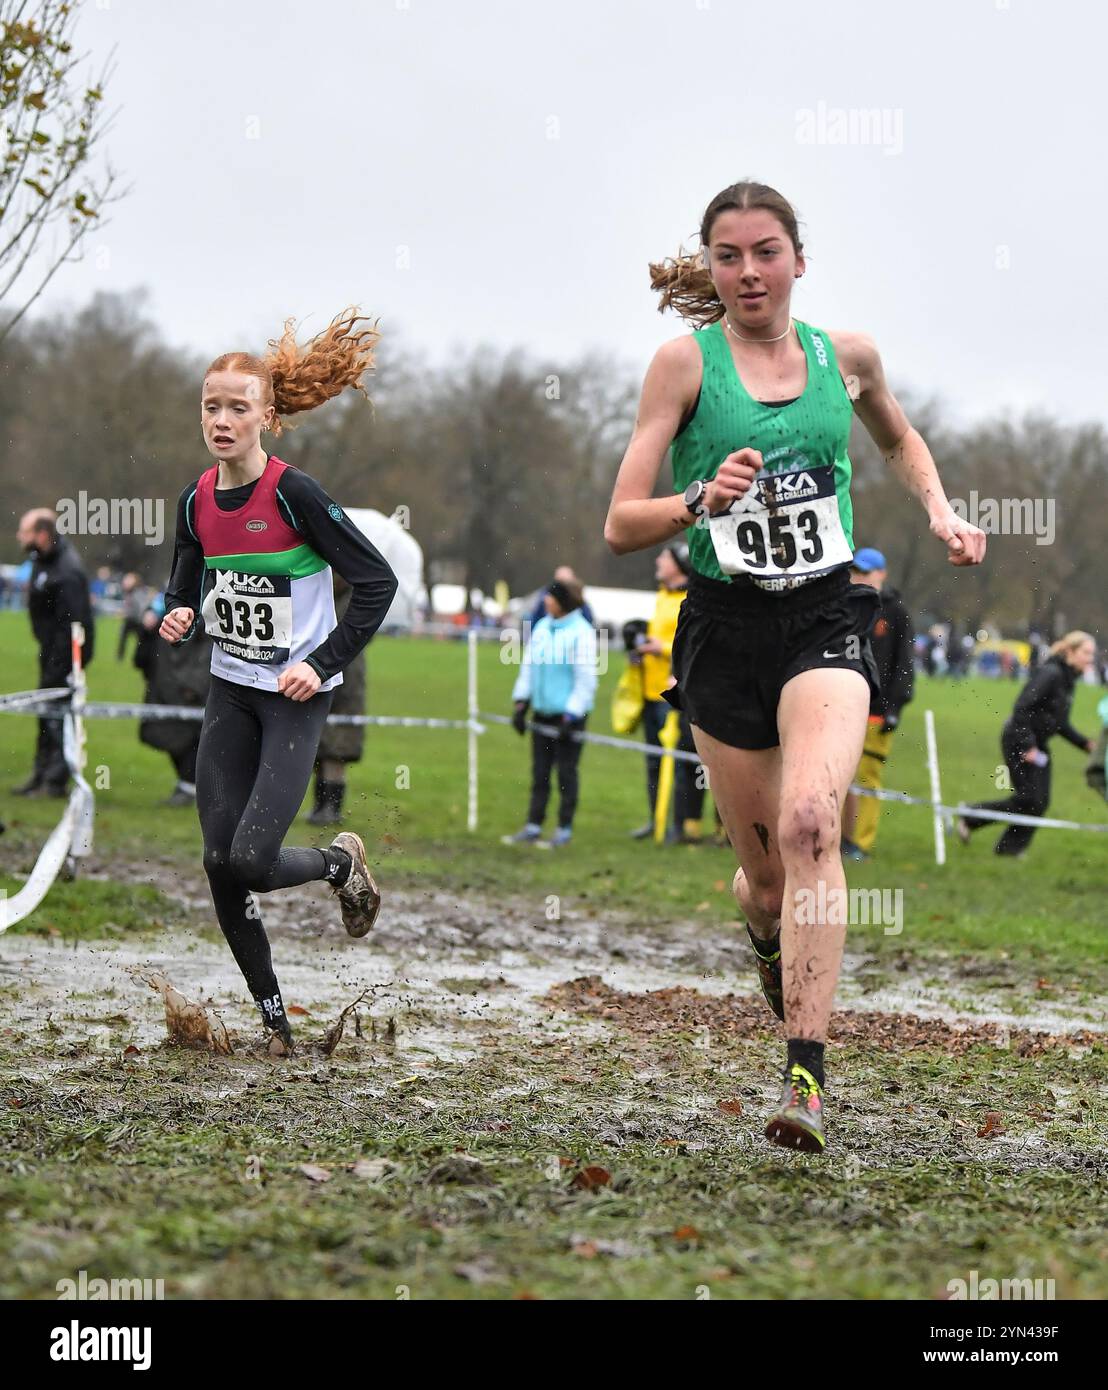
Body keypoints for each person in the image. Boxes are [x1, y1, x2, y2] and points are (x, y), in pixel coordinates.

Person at [604, 180, 985, 1152]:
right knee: (766, 881)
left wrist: (939, 509)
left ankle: (804, 1081)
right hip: (723, 628)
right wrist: (697, 497)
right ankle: (769, 935)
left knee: (816, 822)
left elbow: (897, 438)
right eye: (727, 256)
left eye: (764, 251)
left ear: (797, 261)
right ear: (710, 268)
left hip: (827, 613)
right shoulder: (680, 368)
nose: (746, 271)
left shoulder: (843, 359)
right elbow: (618, 524)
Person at [160, 310, 399, 1054]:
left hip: (293, 701)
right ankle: (276, 1028)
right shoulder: (197, 500)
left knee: (254, 862)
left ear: (267, 414)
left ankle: (339, 862)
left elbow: (377, 582)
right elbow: (185, 585)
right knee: (217, 863)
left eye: (238, 407)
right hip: (230, 694)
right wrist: (177, 616)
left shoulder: (295, 493)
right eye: (210, 405)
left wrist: (321, 662)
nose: (222, 419)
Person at [957, 631, 1095, 857]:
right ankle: (972, 814)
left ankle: (1008, 849)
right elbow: (1022, 707)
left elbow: (1059, 723)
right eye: (1086, 653)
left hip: (1039, 744)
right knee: (1030, 798)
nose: (1090, 658)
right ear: (1070, 651)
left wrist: (1086, 744)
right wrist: (1028, 745)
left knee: (1040, 802)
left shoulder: (1068, 680)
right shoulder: (1051, 673)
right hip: (1019, 740)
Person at [505, 578, 597, 848]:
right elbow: (529, 668)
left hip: (568, 718)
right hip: (542, 714)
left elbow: (586, 679)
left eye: (551, 597)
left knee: (566, 773)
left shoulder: (582, 633)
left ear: (563, 602)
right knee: (540, 772)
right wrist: (521, 703)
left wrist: (572, 714)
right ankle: (533, 825)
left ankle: (564, 829)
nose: (546, 601)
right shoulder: (543, 627)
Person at [12, 509, 95, 798]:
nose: (20, 537)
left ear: (43, 535)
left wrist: (63, 664)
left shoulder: (66, 571)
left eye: (25, 531)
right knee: (44, 713)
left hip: (65, 656)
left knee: (58, 716)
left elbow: (74, 624)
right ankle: (41, 773)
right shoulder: (42, 560)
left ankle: (55, 780)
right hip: (49, 651)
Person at [840, 548, 915, 860]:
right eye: (856, 571)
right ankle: (839, 838)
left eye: (867, 572)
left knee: (866, 778)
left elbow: (904, 665)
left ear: (881, 574)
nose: (860, 577)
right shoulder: (844, 604)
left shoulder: (897, 612)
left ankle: (860, 842)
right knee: (839, 776)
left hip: (877, 710)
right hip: (842, 704)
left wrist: (895, 708)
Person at [629, 543, 706, 843]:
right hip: (649, 690)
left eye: (664, 556)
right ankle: (655, 820)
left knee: (678, 763)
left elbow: (688, 642)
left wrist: (658, 648)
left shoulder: (691, 597)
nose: (658, 560)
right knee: (653, 760)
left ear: (679, 564)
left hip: (675, 695)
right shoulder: (661, 595)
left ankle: (678, 824)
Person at [134, 592, 212, 806]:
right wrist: (147, 626)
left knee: (188, 737)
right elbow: (143, 654)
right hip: (164, 683)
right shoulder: (167, 596)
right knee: (164, 732)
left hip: (187, 689)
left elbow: (210, 647)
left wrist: (194, 685)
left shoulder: (207, 596)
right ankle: (188, 785)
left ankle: (190, 786)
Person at [307, 573, 368, 826]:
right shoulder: (325, 594)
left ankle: (332, 807)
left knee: (337, 750)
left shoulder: (354, 600)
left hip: (345, 678)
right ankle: (319, 805)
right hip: (319, 674)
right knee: (319, 748)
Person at [527, 565, 595, 629]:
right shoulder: (544, 597)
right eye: (560, 583)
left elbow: (588, 620)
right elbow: (532, 619)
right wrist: (526, 638)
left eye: (566, 583)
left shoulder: (581, 625)